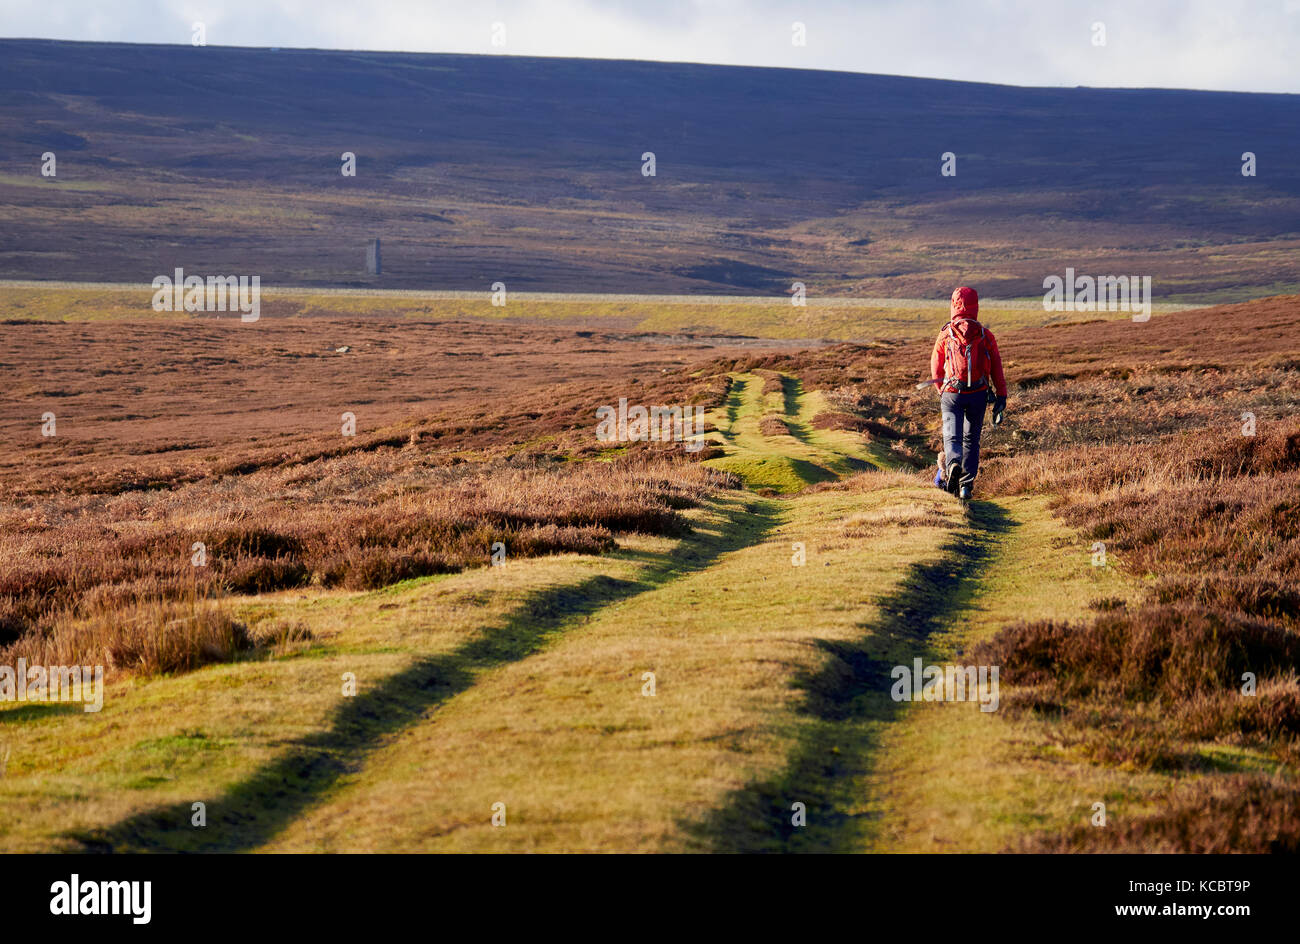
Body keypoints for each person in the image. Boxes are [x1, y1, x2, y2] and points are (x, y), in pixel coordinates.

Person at [930, 286, 1007, 500]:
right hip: (978, 393)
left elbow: (935, 366)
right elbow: (997, 367)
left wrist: (942, 391)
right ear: (976, 306)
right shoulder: (985, 334)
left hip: (952, 393)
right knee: (971, 439)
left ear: (953, 305)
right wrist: (1001, 395)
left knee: (951, 436)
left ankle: (953, 463)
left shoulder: (946, 333)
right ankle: (966, 487)